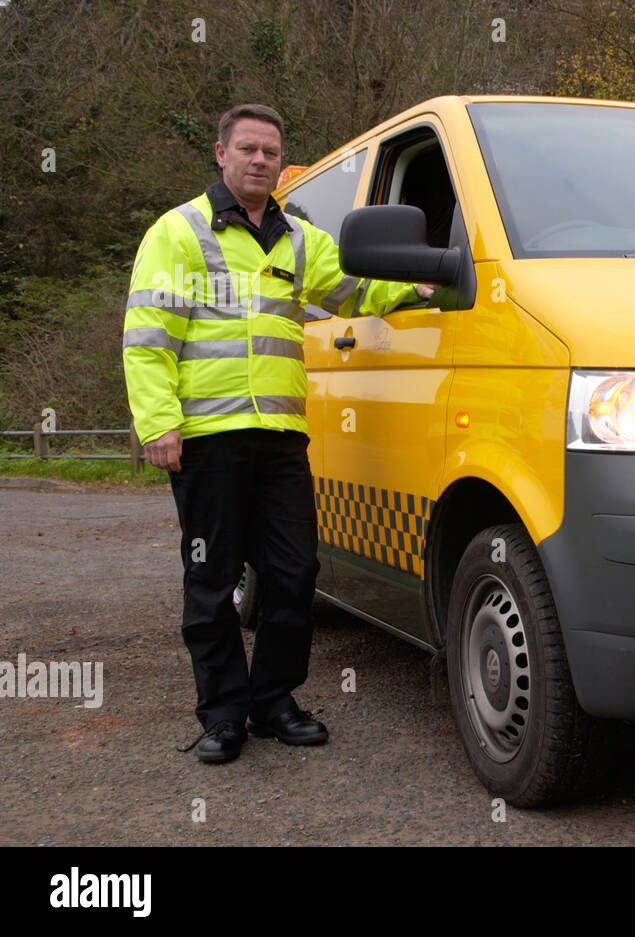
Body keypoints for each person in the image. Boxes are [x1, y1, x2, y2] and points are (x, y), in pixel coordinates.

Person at [123, 103, 435, 763]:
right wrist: (158, 424)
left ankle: (273, 701)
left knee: (293, 573)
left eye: (270, 151)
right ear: (220, 154)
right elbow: (147, 340)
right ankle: (224, 714)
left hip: (281, 439)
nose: (260, 160)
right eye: (247, 149)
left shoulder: (299, 240)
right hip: (205, 439)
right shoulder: (179, 233)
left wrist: (419, 283)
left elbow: (357, 290)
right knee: (212, 580)